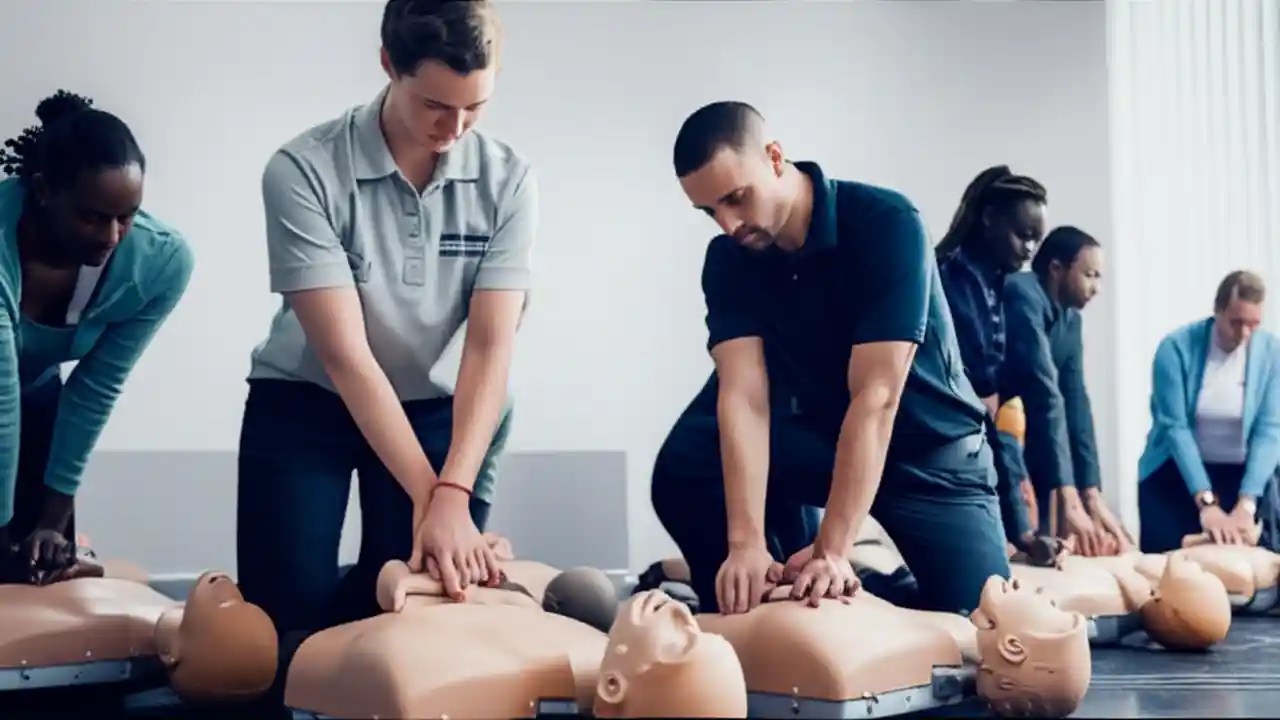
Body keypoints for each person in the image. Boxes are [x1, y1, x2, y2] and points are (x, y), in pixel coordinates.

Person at [236, 0, 534, 655]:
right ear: (387, 66)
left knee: (415, 609)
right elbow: (347, 357)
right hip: (307, 403)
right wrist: (437, 500)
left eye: (475, 107)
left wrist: (451, 491)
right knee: (285, 622)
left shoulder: (508, 180)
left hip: (434, 410)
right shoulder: (303, 170)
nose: (454, 128)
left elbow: (489, 346)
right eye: (435, 104)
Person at [650, 101, 1011, 617]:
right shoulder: (731, 259)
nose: (727, 224)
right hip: (824, 439)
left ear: (775, 158)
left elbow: (878, 397)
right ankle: (762, 588)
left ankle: (860, 579)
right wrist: (746, 543)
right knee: (687, 463)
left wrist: (834, 550)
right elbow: (744, 395)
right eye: (710, 211)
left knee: (981, 620)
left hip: (930, 453)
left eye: (736, 199)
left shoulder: (888, 223)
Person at [0, 90, 194, 582]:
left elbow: (95, 387)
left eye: (126, 216)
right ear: (43, 191)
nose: (111, 236)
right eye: (91, 216)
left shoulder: (161, 264)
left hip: (36, 399)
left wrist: (50, 524)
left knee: (40, 570)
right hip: (7, 402)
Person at [935, 165, 1048, 553]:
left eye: (1037, 240)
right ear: (988, 219)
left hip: (969, 434)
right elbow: (979, 397)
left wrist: (1022, 530)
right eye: (1023, 235)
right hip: (940, 440)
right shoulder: (953, 276)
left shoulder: (994, 280)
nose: (1030, 249)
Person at [1003, 226, 1128, 556]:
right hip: (986, 417)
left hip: (1026, 422)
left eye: (1099, 277)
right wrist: (1068, 495)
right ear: (1057, 269)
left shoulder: (1071, 320)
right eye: (1089, 274)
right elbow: (1044, 393)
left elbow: (1075, 402)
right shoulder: (1021, 293)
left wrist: (1091, 492)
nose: (1096, 288)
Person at [1137, 270, 1280, 553]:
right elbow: (1176, 427)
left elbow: (1269, 429)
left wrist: (1247, 502)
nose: (1244, 334)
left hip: (1241, 473)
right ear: (1217, 311)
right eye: (1235, 323)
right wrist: (1206, 502)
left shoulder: (1272, 354)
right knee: (1172, 567)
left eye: (1253, 324)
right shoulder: (1175, 349)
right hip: (1176, 470)